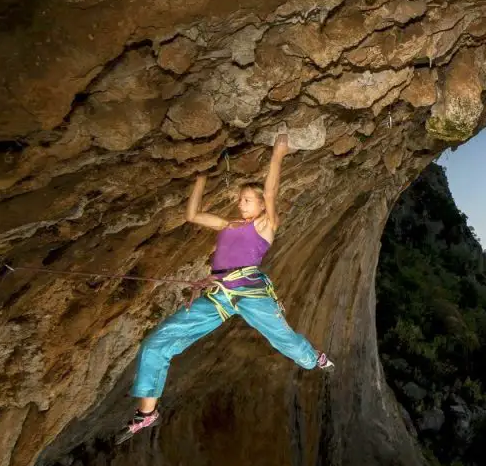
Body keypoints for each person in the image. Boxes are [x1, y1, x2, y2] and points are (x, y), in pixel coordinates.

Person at [117, 134, 333, 444]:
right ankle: (147, 413)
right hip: (218, 296)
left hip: (250, 292)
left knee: (282, 338)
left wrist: (278, 154)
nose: (240, 203)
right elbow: (192, 216)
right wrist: (201, 178)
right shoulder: (228, 225)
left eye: (247, 199)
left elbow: (271, 191)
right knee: (157, 342)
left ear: (261, 206)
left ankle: (314, 359)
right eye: (240, 199)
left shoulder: (265, 225)